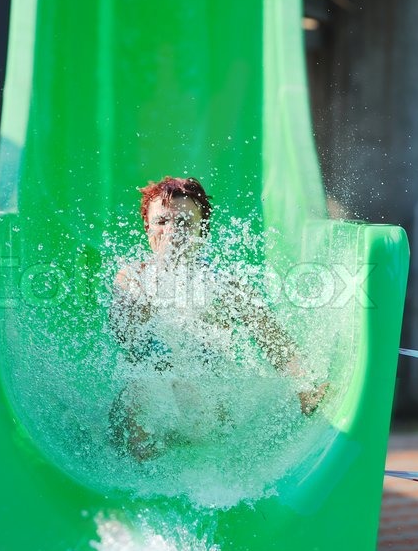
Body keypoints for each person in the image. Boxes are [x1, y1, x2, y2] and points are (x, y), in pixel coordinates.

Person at [110, 176, 327, 460]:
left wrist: (305, 388)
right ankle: (142, 484)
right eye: (162, 222)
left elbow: (276, 344)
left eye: (185, 223)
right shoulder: (132, 279)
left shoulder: (224, 287)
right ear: (147, 228)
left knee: (206, 395)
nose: (173, 232)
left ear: (203, 230)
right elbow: (123, 334)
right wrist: (147, 298)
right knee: (136, 393)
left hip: (204, 410)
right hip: (152, 405)